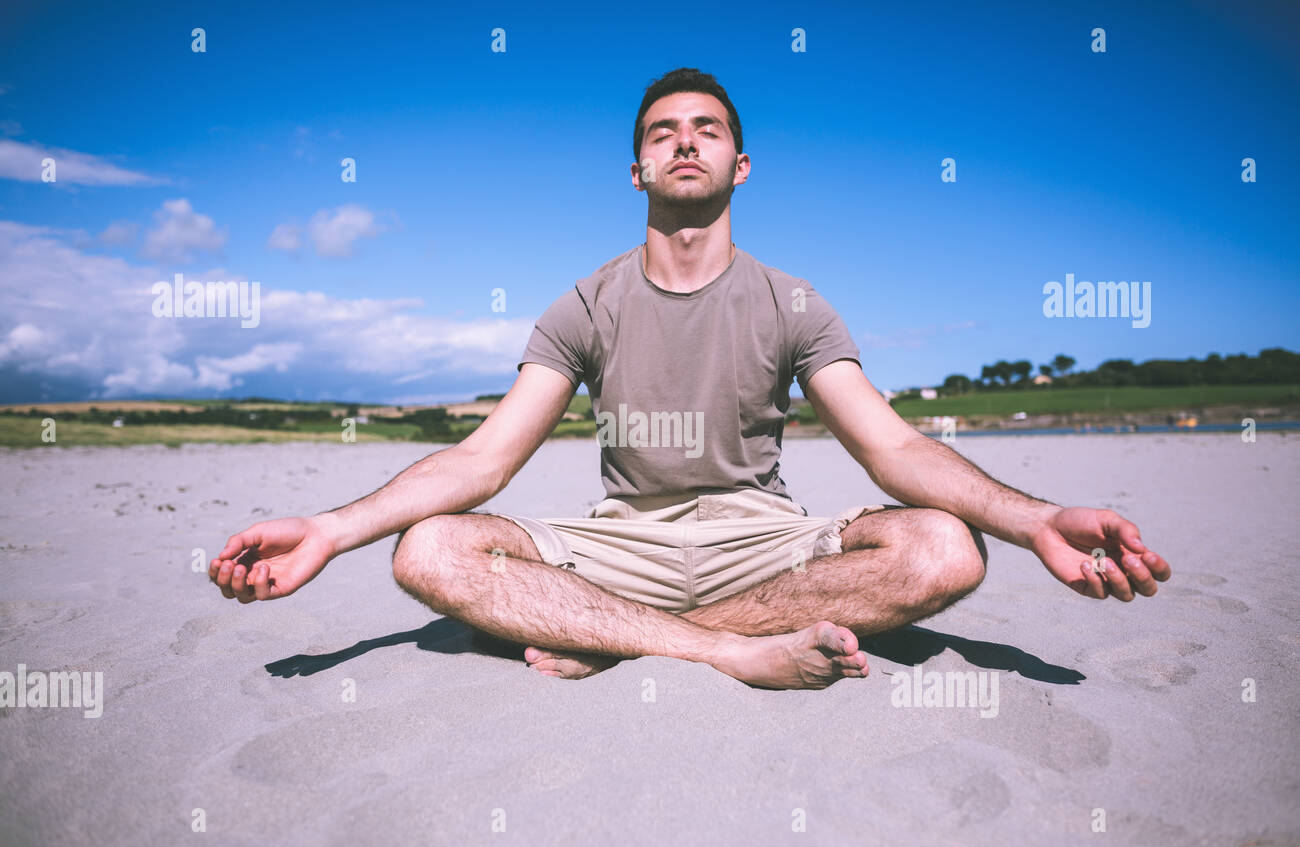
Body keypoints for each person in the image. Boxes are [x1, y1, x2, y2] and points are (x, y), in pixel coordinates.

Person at [208, 68, 1171, 690]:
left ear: (739, 165)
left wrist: (1034, 520)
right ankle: (723, 650)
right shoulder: (583, 306)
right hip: (618, 541)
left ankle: (621, 638)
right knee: (426, 551)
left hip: (762, 542)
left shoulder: (795, 304)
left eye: (705, 129)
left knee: (948, 551)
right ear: (636, 169)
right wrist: (330, 533)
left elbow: (894, 447)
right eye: (663, 131)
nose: (683, 141)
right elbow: (485, 459)